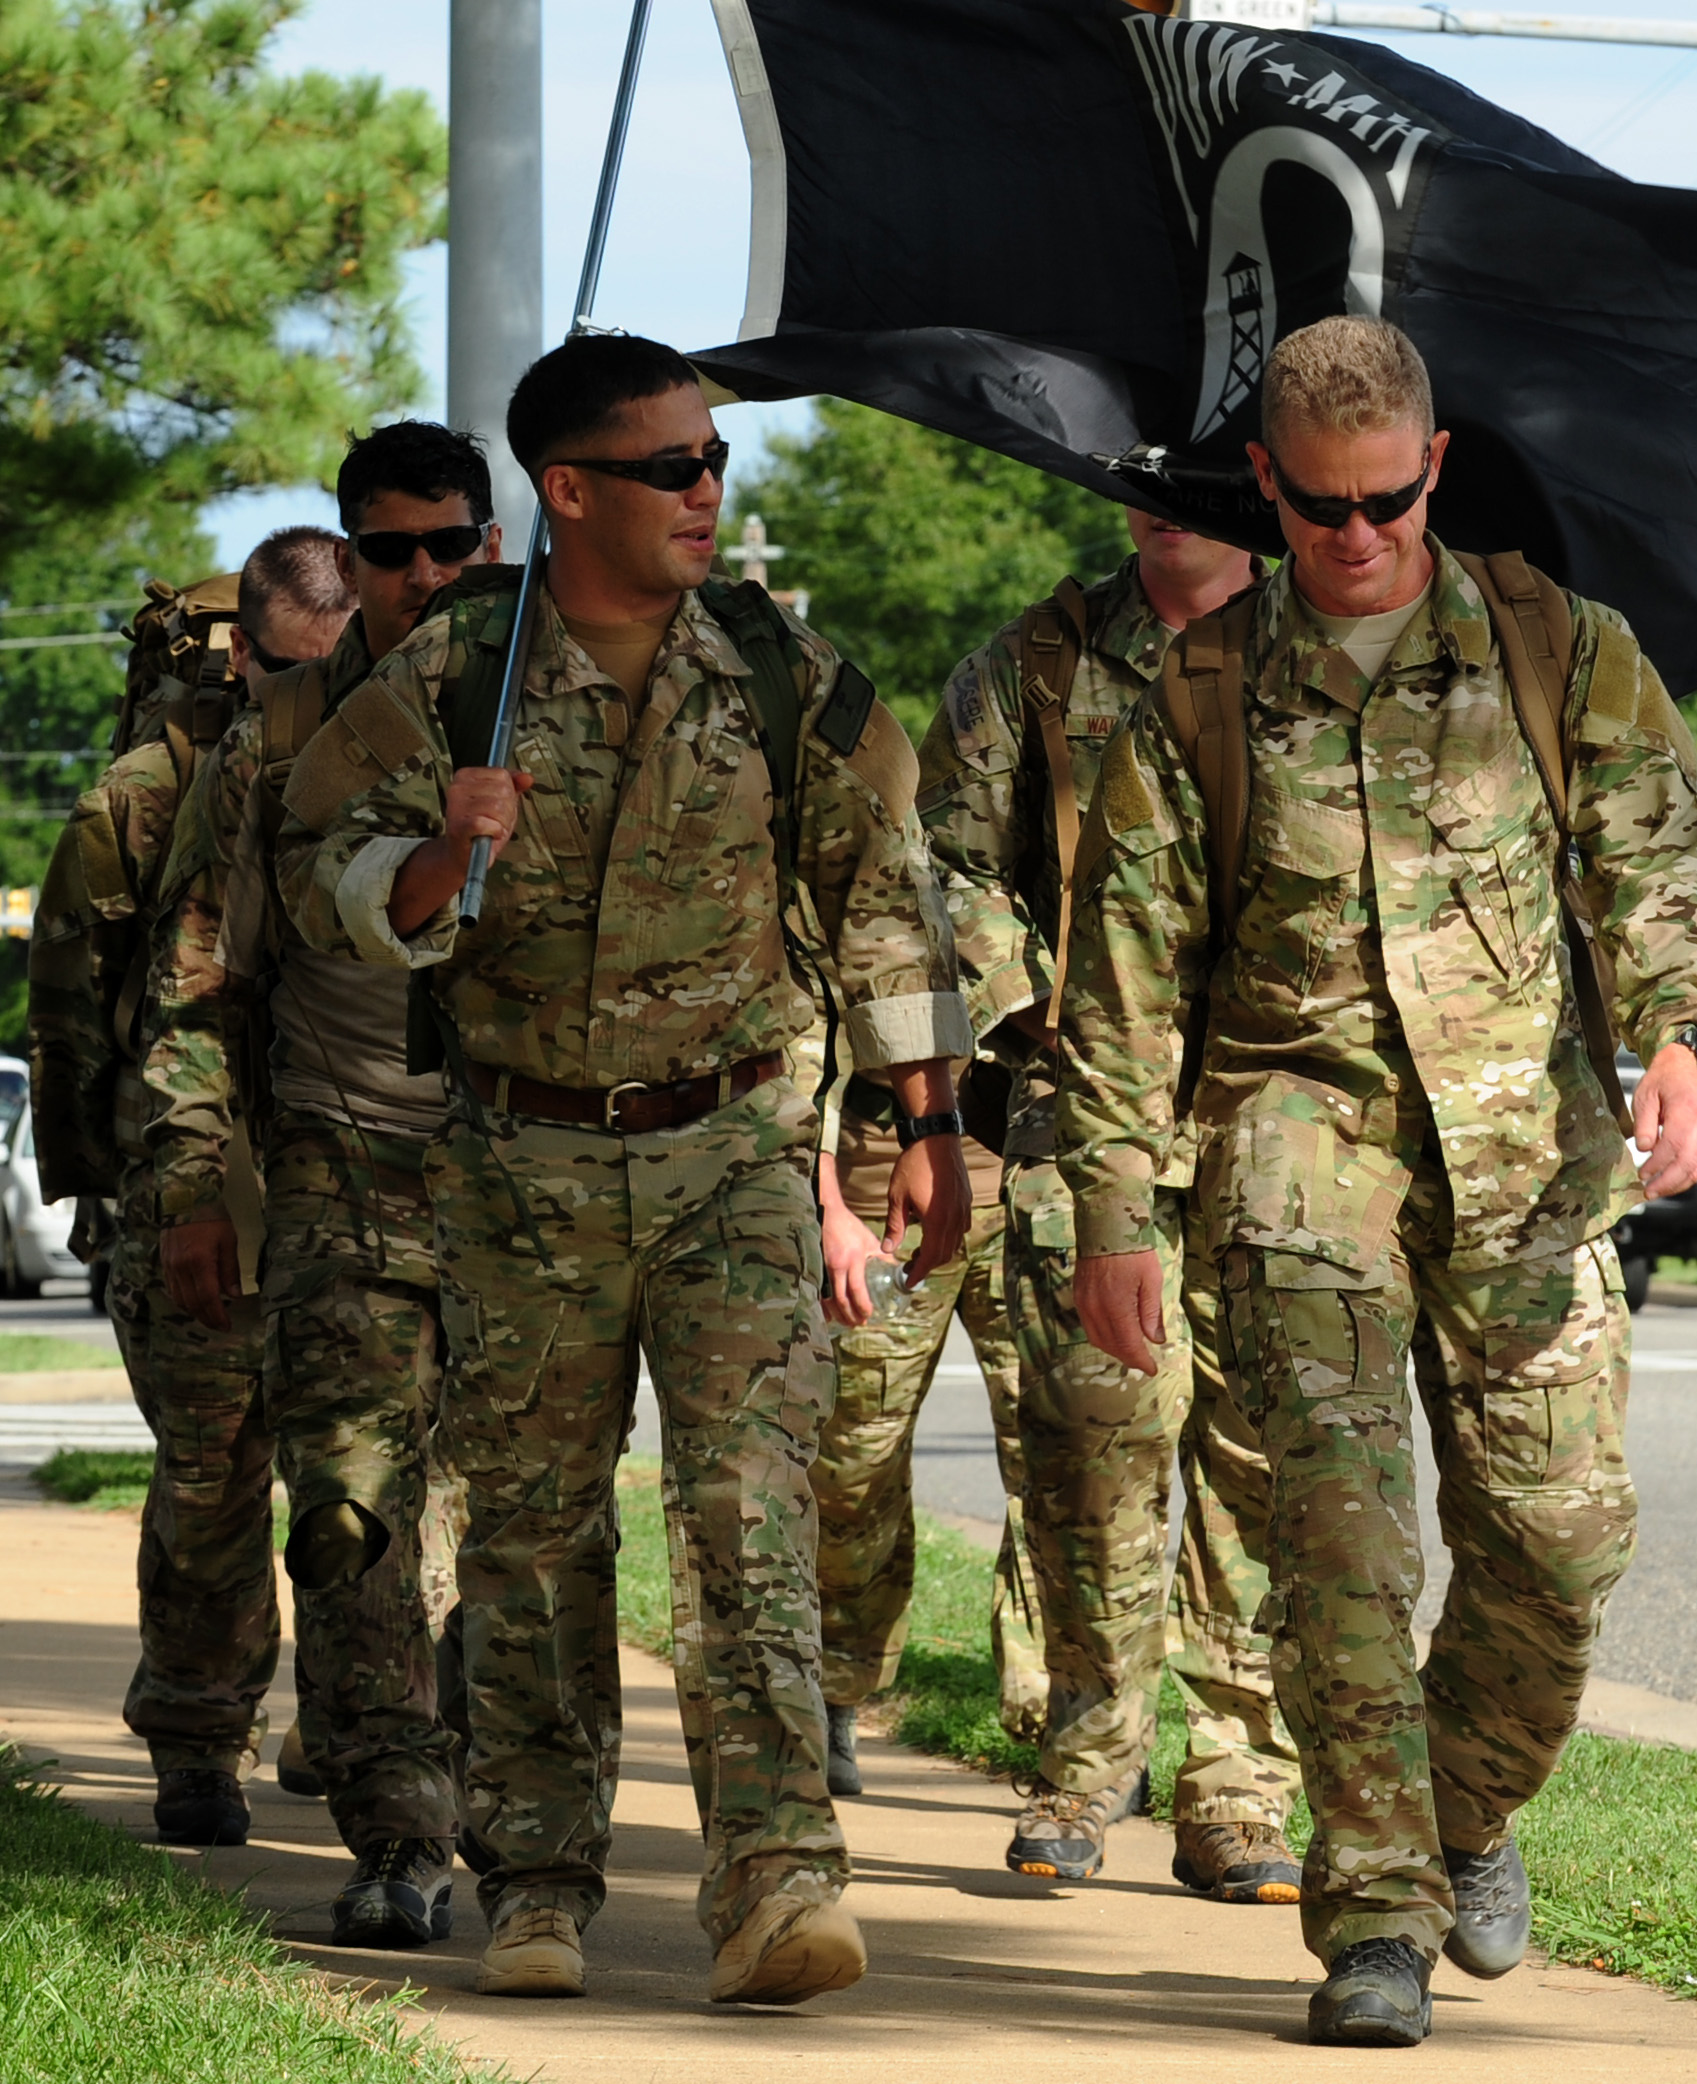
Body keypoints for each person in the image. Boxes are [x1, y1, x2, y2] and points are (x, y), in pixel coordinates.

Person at [1056, 316, 1697, 2046]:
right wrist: (1118, 1214)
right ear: (1266, 482)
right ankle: (1371, 1913)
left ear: (1431, 468)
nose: (1353, 536)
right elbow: (1129, 979)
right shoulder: (1195, 698)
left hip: (1530, 1160)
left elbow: (1655, 856)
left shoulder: (1557, 649)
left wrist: (1676, 1033)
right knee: (1343, 1552)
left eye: (1384, 499)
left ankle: (1457, 1814)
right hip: (1302, 1155)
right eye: (1319, 505)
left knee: (1562, 1540)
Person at [272, 332, 974, 2008]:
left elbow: (884, 889)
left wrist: (928, 1119)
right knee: (531, 1535)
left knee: (749, 1512)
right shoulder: (453, 674)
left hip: (735, 1143)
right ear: (569, 487)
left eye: (713, 460)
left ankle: (779, 1878)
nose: (705, 490)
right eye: (668, 466)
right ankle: (535, 1874)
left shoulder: (778, 663)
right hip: (522, 1156)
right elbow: (318, 869)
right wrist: (445, 851)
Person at [142, 423, 505, 1949]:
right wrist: (193, 1189)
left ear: (490, 542)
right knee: (350, 1516)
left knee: (519, 1529)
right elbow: (201, 983)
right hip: (340, 1159)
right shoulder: (278, 738)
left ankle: (504, 1792)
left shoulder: (562, 705)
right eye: (388, 549)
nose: (421, 575)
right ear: (347, 556)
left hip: (529, 1177)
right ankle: (398, 1833)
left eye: (449, 545)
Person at [920, 512, 1302, 1898]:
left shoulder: (1328, 651)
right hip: (1083, 1110)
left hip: (1277, 1116)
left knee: (1257, 1466)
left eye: (1197, 477)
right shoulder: (1034, 664)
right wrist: (1034, 1006)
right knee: (1095, 1451)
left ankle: (1238, 1789)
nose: (1165, 504)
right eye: (1142, 475)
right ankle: (1088, 1764)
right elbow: (945, 865)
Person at [28, 531, 347, 1848]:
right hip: (194, 1184)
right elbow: (72, 1008)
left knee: (375, 1479)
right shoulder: (143, 796)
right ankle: (199, 1736)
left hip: (357, 1183)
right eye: (284, 670)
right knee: (213, 1474)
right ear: (239, 652)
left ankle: (349, 1720)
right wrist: (116, 1198)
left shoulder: (409, 759)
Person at [807, 1081, 1037, 1794]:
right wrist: (825, 1201)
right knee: (852, 1465)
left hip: (1038, 1191)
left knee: (1060, 1461)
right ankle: (836, 1690)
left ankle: (1063, 1717)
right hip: (880, 1198)